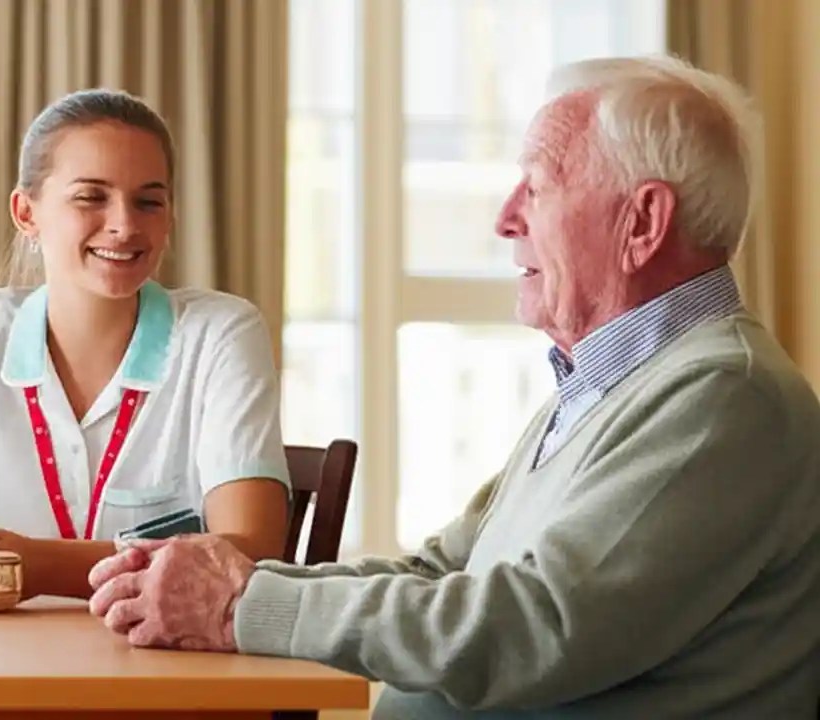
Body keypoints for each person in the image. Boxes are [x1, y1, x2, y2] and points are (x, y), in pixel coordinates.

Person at [87, 55, 820, 718]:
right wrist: (233, 579)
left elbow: (535, 627)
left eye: (536, 186)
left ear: (644, 222)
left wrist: (241, 604)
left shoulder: (727, 400)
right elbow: (442, 570)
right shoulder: (618, 384)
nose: (505, 220)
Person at [0, 89, 291, 606]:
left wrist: (35, 567)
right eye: (91, 197)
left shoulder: (222, 334)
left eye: (149, 201)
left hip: (171, 674)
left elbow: (248, 554)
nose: (125, 225)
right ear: (26, 212)